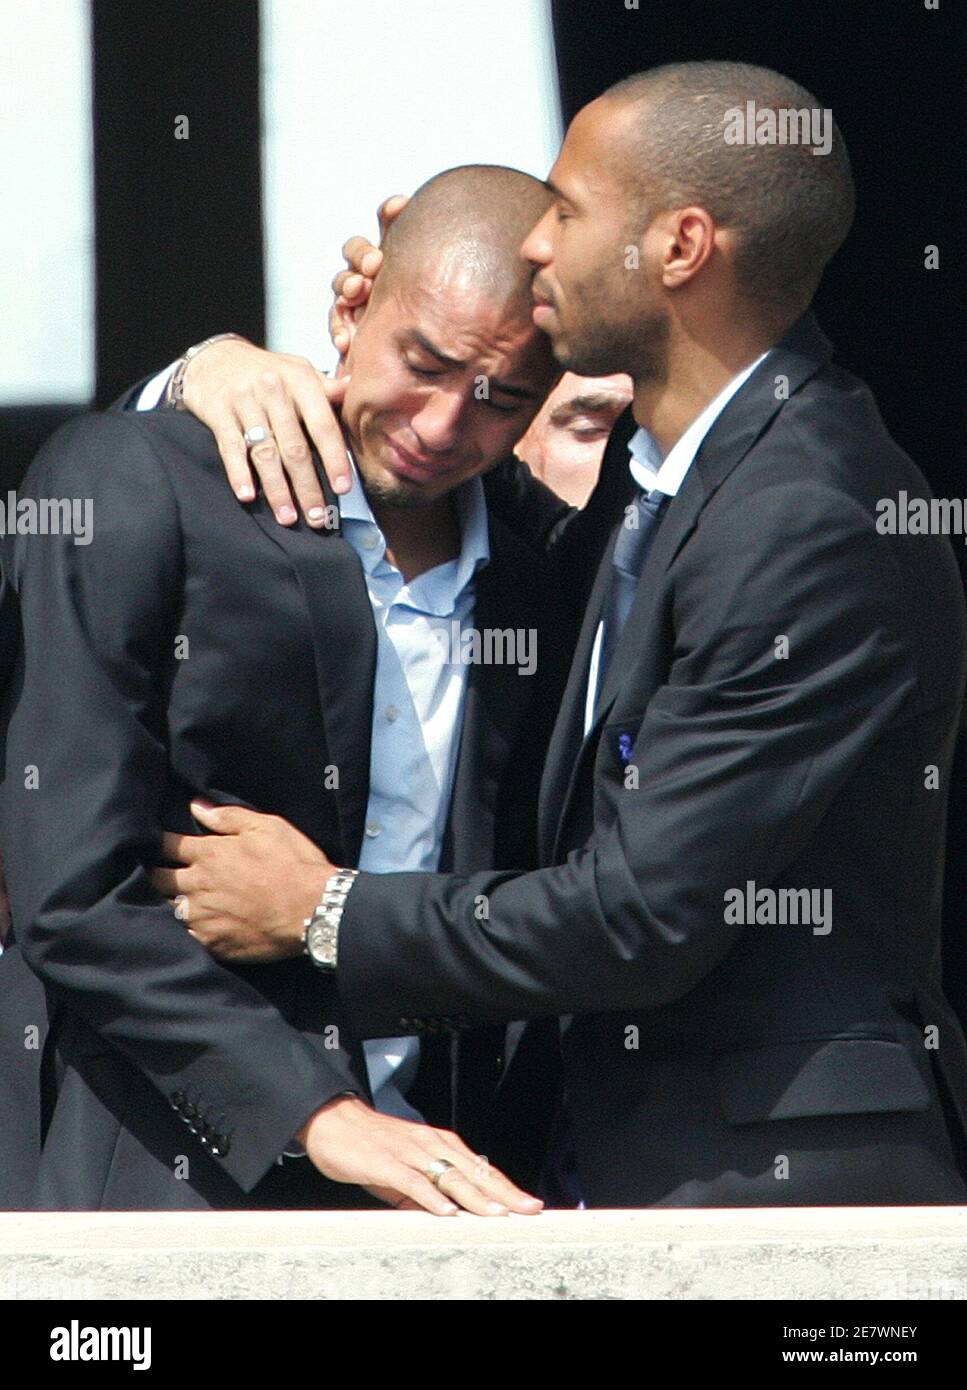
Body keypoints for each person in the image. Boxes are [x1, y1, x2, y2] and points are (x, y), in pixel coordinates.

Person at [160, 61, 967, 1207]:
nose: (534, 244)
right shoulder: (659, 491)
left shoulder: (809, 516)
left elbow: (641, 912)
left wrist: (322, 908)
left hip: (776, 1195)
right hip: (622, 1169)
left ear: (679, 247)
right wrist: (215, 370)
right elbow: (424, 462)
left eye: (567, 209)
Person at [0, 165, 563, 1212]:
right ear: (353, 307)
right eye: (422, 362)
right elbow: (70, 893)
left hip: (456, 1188)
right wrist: (320, 1115)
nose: (442, 423)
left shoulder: (545, 578)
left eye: (500, 398)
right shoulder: (143, 480)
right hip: (151, 1179)